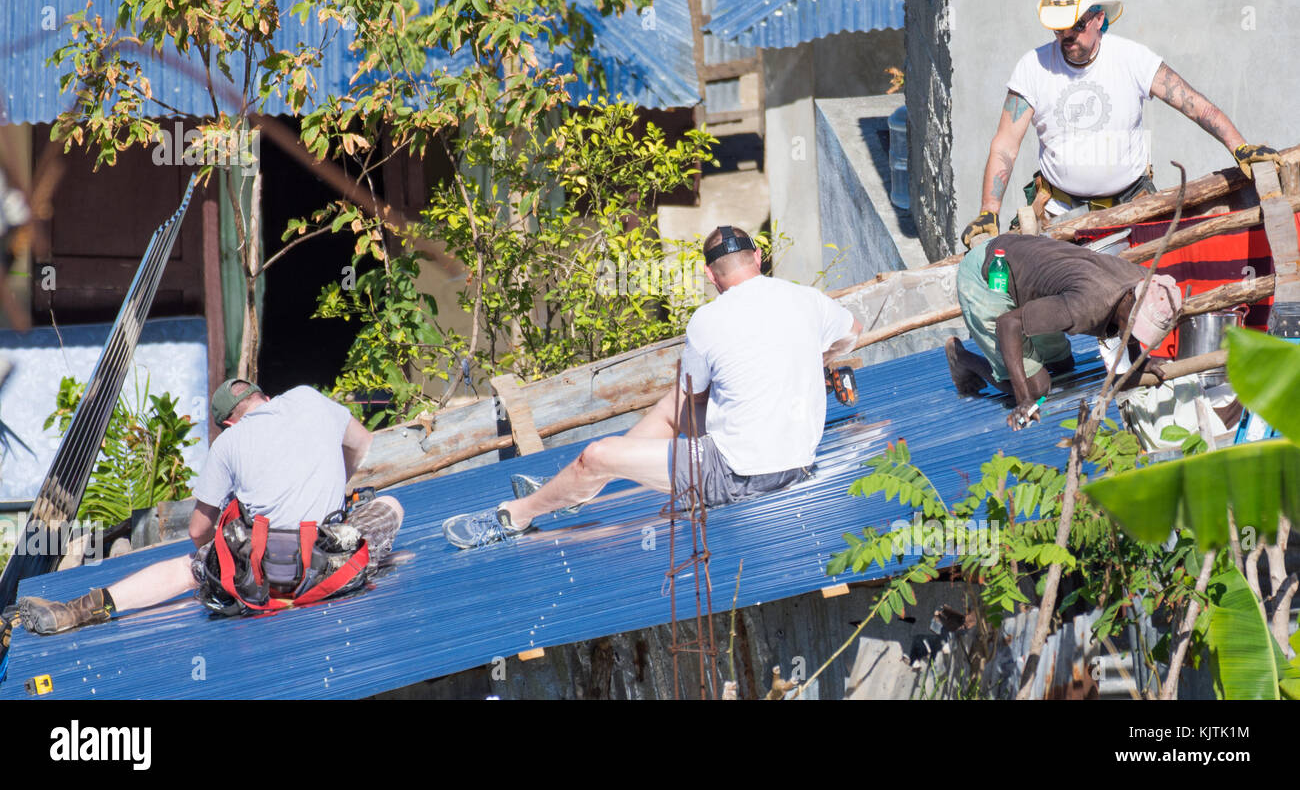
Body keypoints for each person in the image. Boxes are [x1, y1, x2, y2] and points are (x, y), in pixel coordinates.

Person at [442, 225, 864, 548]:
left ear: (708, 275)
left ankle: (513, 518)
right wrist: (819, 362)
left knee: (597, 454)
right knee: (673, 406)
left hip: (739, 475)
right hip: (795, 462)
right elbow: (852, 333)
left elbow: (692, 397)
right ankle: (582, 490)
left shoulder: (708, 320)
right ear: (758, 256)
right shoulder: (806, 298)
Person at [17, 380, 404, 635]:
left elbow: (198, 532)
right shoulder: (308, 397)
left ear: (228, 423)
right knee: (389, 504)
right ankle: (343, 534)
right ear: (264, 398)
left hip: (265, 579)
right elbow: (361, 443)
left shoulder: (227, 445)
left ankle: (81, 609)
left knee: (192, 566)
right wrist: (337, 500)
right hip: (337, 567)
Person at [960, 0, 1277, 248]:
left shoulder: (1132, 59)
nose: (1067, 36)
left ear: (1099, 18)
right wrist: (989, 210)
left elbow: (1197, 107)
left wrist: (1240, 147)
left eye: (1076, 25)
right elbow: (1005, 145)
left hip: (1134, 211)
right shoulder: (1033, 67)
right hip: (1058, 216)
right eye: (1059, 29)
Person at [946, 233, 1182, 429]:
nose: (1131, 329)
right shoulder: (1086, 305)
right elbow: (1007, 324)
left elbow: (1129, 321)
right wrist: (1024, 400)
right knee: (1037, 388)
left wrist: (1138, 361)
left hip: (1023, 270)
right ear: (1130, 295)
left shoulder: (1143, 281)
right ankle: (962, 358)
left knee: (1063, 367)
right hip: (988, 277)